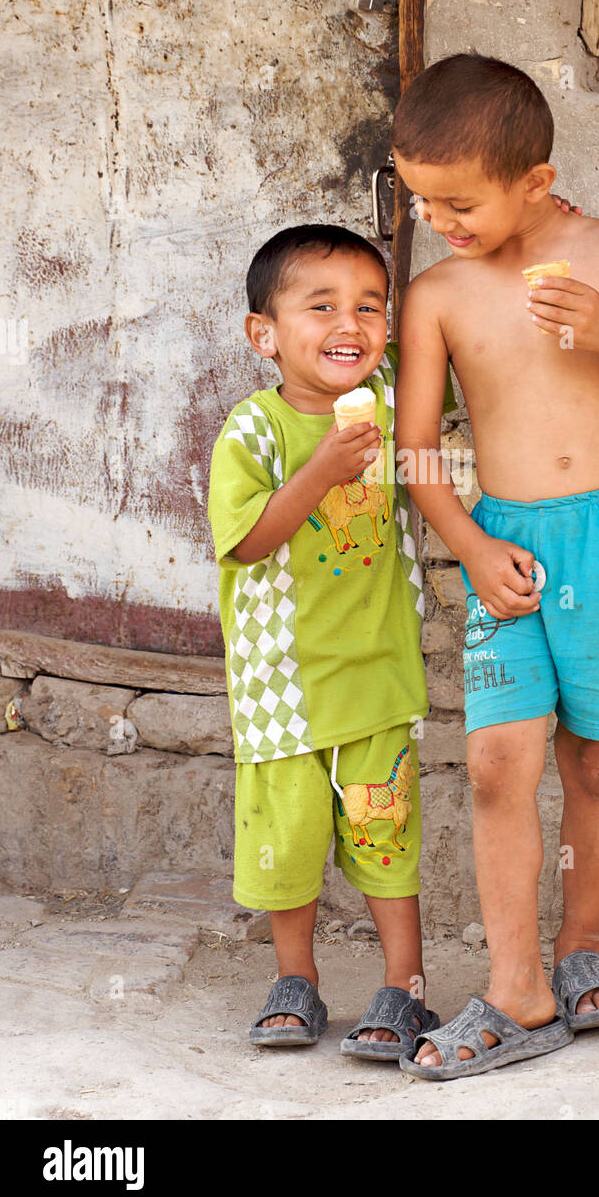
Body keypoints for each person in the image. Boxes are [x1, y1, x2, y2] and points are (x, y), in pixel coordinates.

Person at [392, 53, 599, 1080]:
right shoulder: (436, 294)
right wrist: (471, 546)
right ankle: (515, 986)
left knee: (596, 758)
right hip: (507, 544)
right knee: (496, 757)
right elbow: (415, 455)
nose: (439, 221)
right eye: (421, 202)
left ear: (534, 181)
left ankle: (579, 951)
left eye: (458, 201)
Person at [207, 223, 445, 1060]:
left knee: (387, 834)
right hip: (283, 688)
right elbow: (245, 543)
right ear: (263, 335)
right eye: (321, 306)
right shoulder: (254, 431)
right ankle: (296, 980)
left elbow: (446, 363)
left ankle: (404, 986)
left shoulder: (384, 401)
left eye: (369, 306)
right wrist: (322, 473)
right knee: (290, 841)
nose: (350, 323)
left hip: (377, 675)